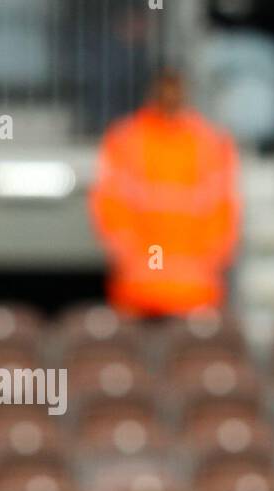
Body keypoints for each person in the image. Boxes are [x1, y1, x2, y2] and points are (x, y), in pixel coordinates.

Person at [89, 70, 241, 318]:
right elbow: (110, 205)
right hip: (139, 287)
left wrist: (210, 259)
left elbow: (222, 208)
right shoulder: (127, 139)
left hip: (194, 288)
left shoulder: (209, 143)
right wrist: (128, 256)